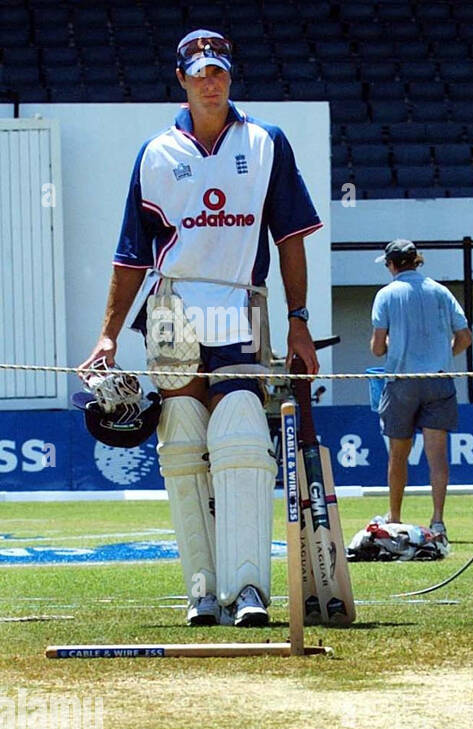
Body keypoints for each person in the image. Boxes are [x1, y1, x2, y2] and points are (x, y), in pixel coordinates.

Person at [77, 29, 322, 627]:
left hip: (242, 301)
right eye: (200, 73)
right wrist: (108, 334)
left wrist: (298, 321)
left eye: (219, 72)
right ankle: (202, 590)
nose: (211, 82)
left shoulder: (266, 141)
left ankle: (249, 590)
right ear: (182, 81)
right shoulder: (156, 152)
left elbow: (290, 239)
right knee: (184, 438)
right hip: (172, 305)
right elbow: (132, 254)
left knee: (240, 431)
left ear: (229, 77)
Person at [369, 239, 472, 543]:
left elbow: (377, 349)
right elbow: (465, 337)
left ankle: (395, 518)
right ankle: (438, 521)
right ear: (417, 261)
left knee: (398, 455)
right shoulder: (441, 291)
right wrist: (442, 355)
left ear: (391, 264)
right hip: (438, 379)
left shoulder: (386, 295)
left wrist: (392, 347)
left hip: (402, 381)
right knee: (437, 455)